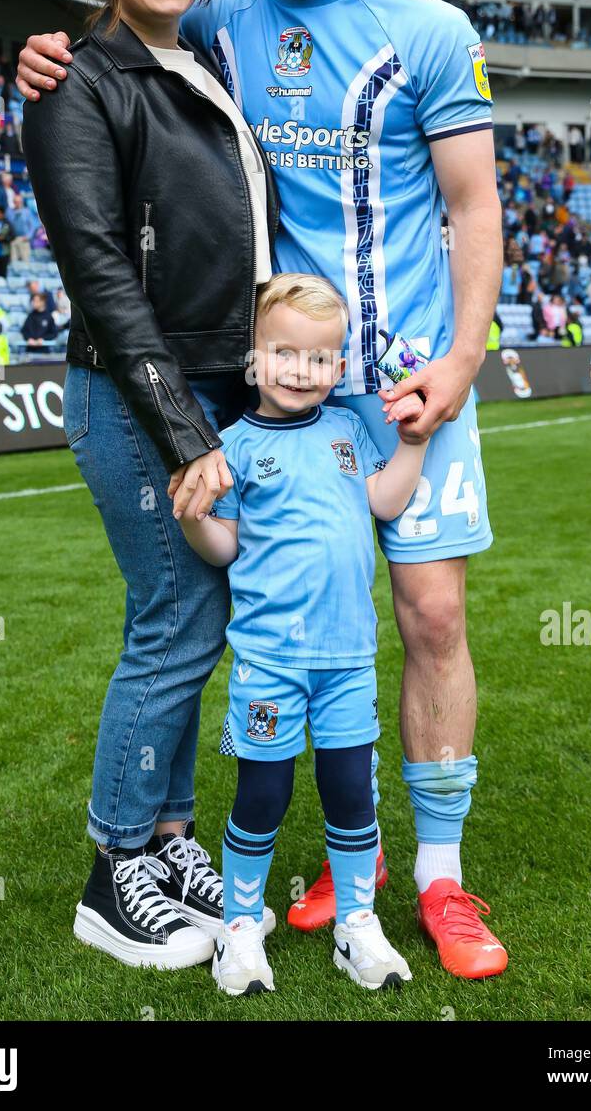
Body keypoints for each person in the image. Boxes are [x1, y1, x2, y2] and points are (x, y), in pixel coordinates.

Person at [16, 0, 507, 978]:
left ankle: (432, 879)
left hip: (403, 385)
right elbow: (112, 53)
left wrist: (458, 362)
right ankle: (229, 855)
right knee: (230, 617)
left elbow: (472, 204)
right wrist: (47, 49)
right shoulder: (218, 15)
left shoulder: (427, 25)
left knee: (427, 616)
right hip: (268, 390)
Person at [22, 0, 280, 971]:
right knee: (175, 619)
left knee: (196, 618)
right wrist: (184, 429)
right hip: (139, 389)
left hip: (212, 379)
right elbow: (98, 269)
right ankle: (111, 865)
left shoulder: (202, 58)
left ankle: (170, 838)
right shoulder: (80, 76)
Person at [178, 274, 424, 994]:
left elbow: (382, 499)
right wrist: (195, 513)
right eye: (284, 353)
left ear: (339, 367)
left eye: (319, 359)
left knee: (351, 791)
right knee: (263, 794)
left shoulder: (348, 431)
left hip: (348, 659)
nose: (300, 370)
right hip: (269, 664)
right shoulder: (231, 447)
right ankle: (241, 928)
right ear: (253, 357)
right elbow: (223, 549)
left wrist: (413, 443)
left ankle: (357, 925)